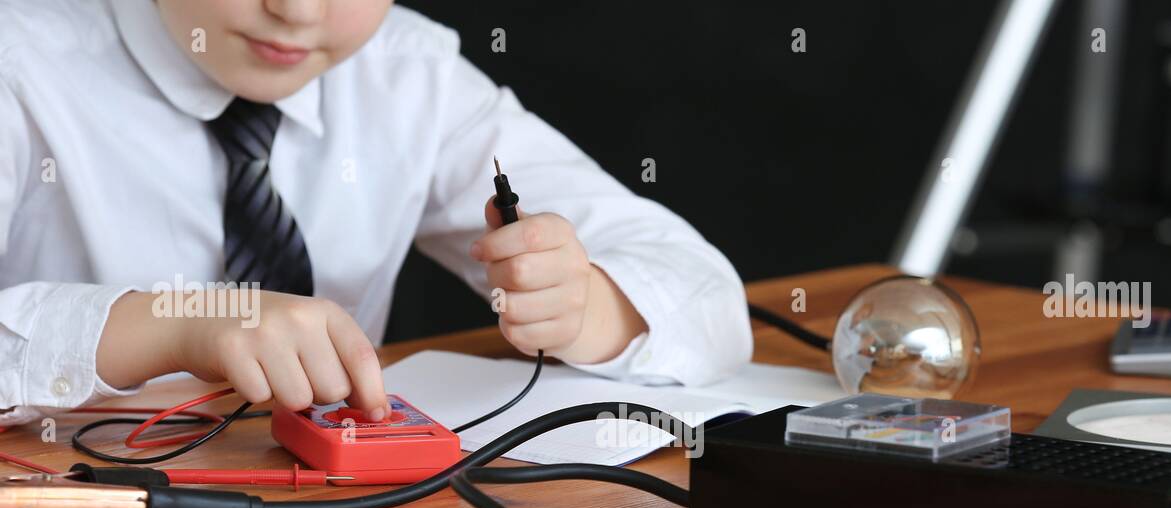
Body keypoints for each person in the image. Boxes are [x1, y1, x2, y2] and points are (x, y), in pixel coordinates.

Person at [0, 0, 752, 426]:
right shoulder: (21, 62)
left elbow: (705, 296)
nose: (294, 11)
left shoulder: (408, 77)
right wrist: (175, 324)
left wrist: (590, 305)